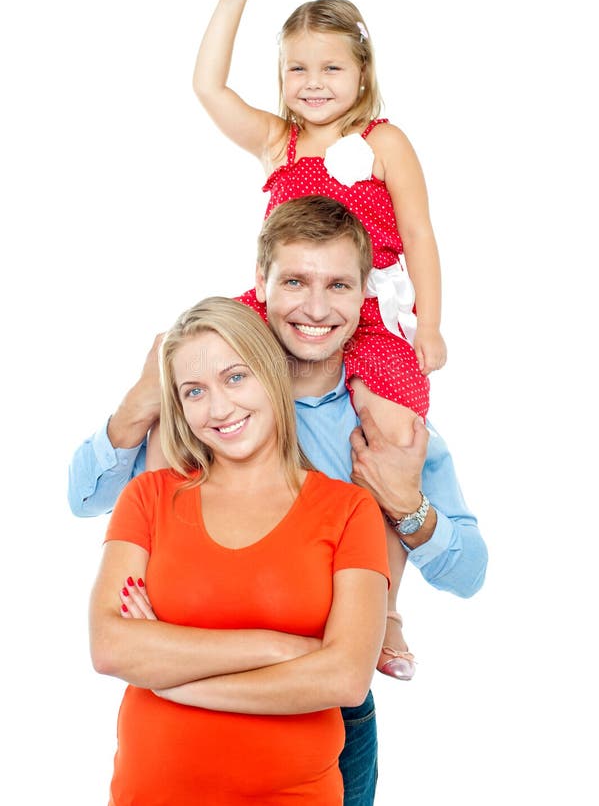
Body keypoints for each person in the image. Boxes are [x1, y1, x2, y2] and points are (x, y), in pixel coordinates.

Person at [70, 197, 488, 806]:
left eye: (338, 285)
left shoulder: (386, 428)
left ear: (364, 294)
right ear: (260, 284)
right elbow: (87, 499)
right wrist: (143, 400)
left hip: (317, 715)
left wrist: (405, 505)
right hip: (174, 721)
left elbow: (469, 574)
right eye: (295, 281)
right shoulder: (211, 399)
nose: (316, 309)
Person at [193, 0, 448, 675]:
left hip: (366, 312)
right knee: (201, 356)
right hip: (281, 309)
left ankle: (384, 606)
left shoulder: (383, 141)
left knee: (395, 433)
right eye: (296, 68)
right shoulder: (279, 141)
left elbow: (421, 231)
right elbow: (208, 90)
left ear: (361, 73)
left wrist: (427, 322)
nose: (312, 82)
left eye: (330, 66)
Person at [89, 296, 390, 804]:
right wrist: (278, 649)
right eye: (194, 391)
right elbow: (110, 646)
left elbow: (344, 677)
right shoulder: (149, 497)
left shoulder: (349, 510)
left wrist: (174, 678)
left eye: (235, 377)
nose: (220, 408)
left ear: (272, 373)